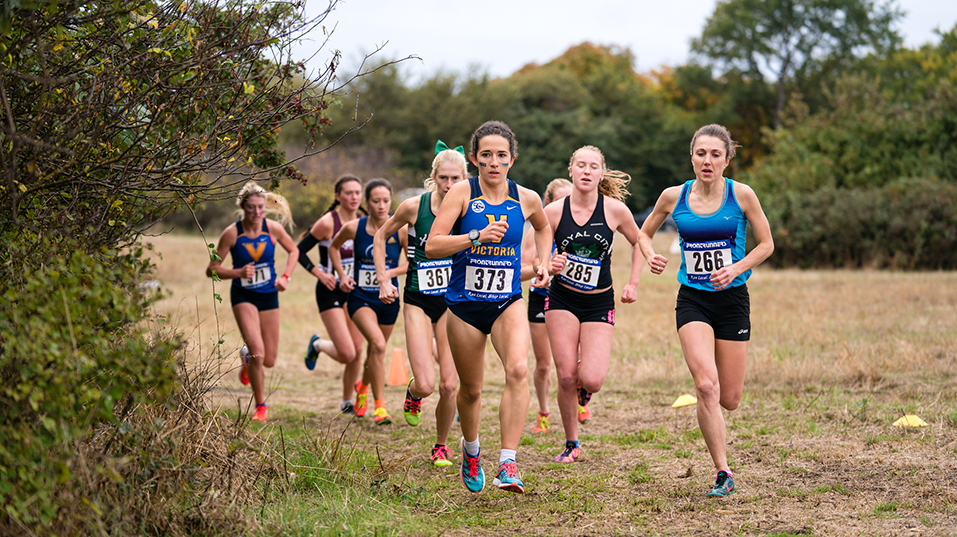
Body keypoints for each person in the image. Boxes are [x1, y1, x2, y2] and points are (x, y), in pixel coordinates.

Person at [638, 124, 774, 498]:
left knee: (729, 398)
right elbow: (643, 233)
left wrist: (737, 267)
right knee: (706, 386)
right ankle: (722, 471)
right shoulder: (673, 196)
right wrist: (650, 255)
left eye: (716, 154)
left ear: (727, 160)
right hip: (693, 299)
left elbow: (767, 244)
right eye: (701, 153)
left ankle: (718, 428)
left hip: (732, 301)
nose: (708, 161)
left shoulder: (742, 195)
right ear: (692, 157)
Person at [426, 120, 552, 494]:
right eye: (486, 156)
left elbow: (544, 228)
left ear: (512, 158)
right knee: (472, 390)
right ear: (474, 158)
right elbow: (433, 245)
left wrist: (543, 261)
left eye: (501, 155)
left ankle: (508, 463)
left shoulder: (526, 198)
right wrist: (474, 236)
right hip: (464, 305)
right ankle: (471, 450)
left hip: (507, 300)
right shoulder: (462, 193)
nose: (494, 163)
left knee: (517, 370)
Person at [545, 146, 644, 463]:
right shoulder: (554, 212)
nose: (587, 171)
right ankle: (571, 443)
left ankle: (582, 384)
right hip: (561, 299)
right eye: (581, 165)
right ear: (571, 170)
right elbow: (537, 255)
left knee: (592, 380)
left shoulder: (615, 211)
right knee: (563, 376)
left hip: (599, 301)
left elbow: (639, 242)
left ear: (601, 173)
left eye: (593, 166)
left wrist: (633, 282)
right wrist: (550, 264)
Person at [375, 141, 467, 467]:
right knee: (427, 384)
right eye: (444, 178)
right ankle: (413, 395)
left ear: (465, 178)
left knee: (449, 383)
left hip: (453, 303)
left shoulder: (472, 210)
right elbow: (380, 234)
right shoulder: (415, 207)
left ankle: (441, 445)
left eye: (456, 179)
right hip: (417, 299)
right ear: (434, 176)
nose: (450, 185)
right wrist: (384, 278)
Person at [206, 181, 299, 422]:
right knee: (259, 355)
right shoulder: (231, 233)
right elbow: (212, 269)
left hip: (269, 295)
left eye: (260, 208)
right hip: (243, 296)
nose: (257, 213)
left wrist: (286, 277)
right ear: (243, 207)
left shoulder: (273, 229)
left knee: (268, 360)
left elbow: (294, 251)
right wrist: (238, 273)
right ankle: (260, 406)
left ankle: (245, 358)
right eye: (251, 208)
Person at [329, 178, 408, 425]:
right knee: (378, 345)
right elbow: (333, 247)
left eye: (386, 200)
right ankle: (380, 407)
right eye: (376, 201)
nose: (382, 206)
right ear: (367, 202)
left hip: (389, 299)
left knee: (376, 351)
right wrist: (342, 276)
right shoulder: (355, 227)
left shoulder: (400, 229)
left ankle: (362, 387)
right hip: (360, 297)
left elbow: (411, 263)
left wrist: (388, 274)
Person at [299, 175, 365, 414]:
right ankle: (318, 344)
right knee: (347, 352)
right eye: (348, 193)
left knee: (357, 352)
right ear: (338, 196)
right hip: (330, 289)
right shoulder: (328, 222)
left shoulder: (363, 222)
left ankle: (347, 401)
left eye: (358, 192)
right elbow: (300, 251)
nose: (354, 197)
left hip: (355, 290)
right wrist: (319, 274)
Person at [520, 178, 572, 434]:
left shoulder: (579, 228)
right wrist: (540, 268)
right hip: (541, 296)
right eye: (561, 200)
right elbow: (521, 270)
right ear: (549, 203)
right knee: (543, 364)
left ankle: (580, 396)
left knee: (574, 362)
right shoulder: (536, 231)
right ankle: (543, 412)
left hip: (573, 298)